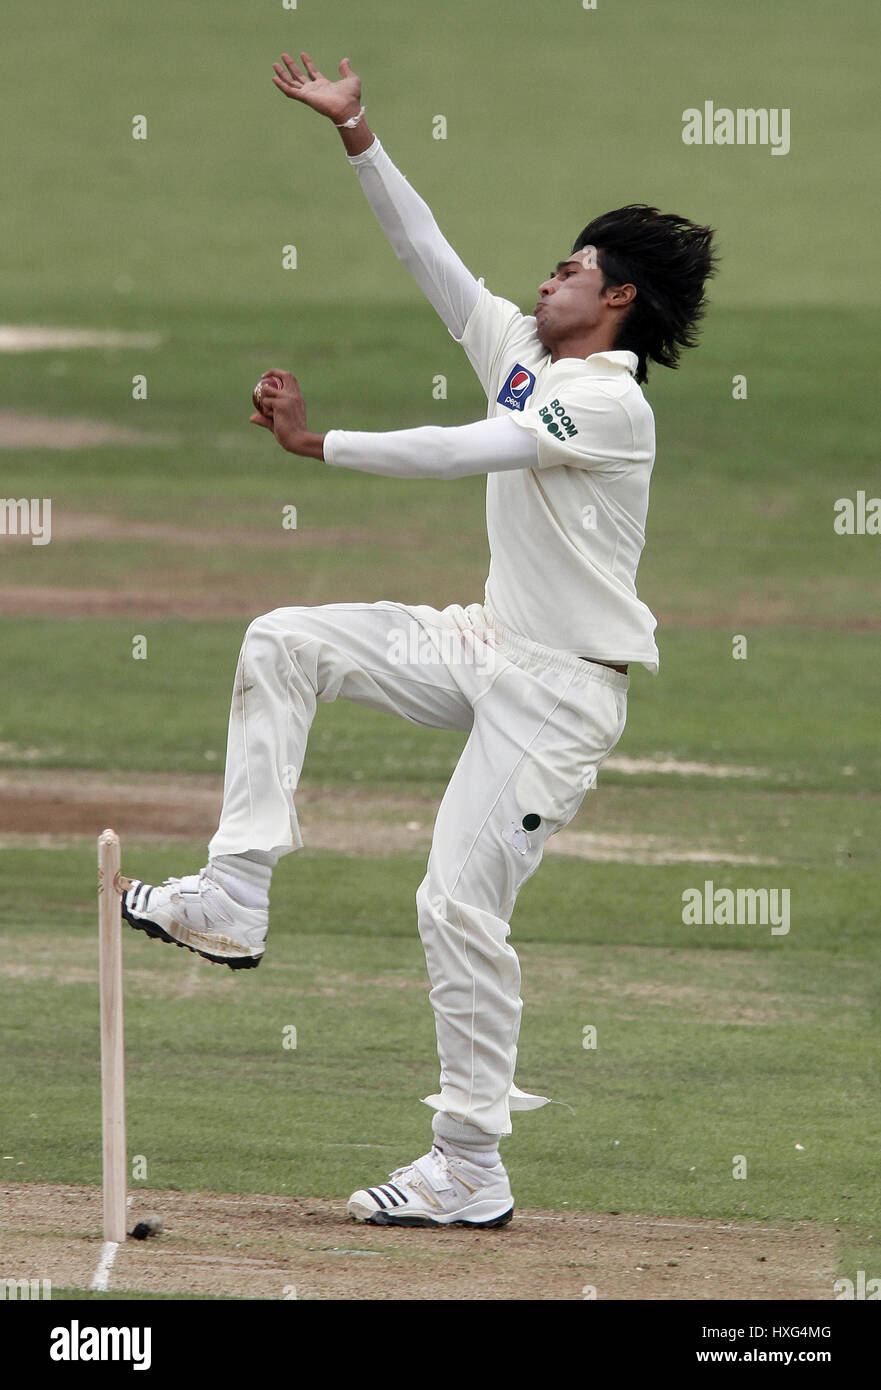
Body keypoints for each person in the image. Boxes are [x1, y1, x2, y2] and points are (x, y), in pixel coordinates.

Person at [122, 52, 717, 1229]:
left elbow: (465, 450)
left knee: (454, 908)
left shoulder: (604, 402)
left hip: (558, 697)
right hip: (485, 642)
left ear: (617, 302)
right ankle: (234, 894)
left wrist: (317, 447)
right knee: (284, 639)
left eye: (572, 269)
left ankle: (468, 1166)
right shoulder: (528, 356)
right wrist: (358, 135)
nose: (546, 278)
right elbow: (427, 256)